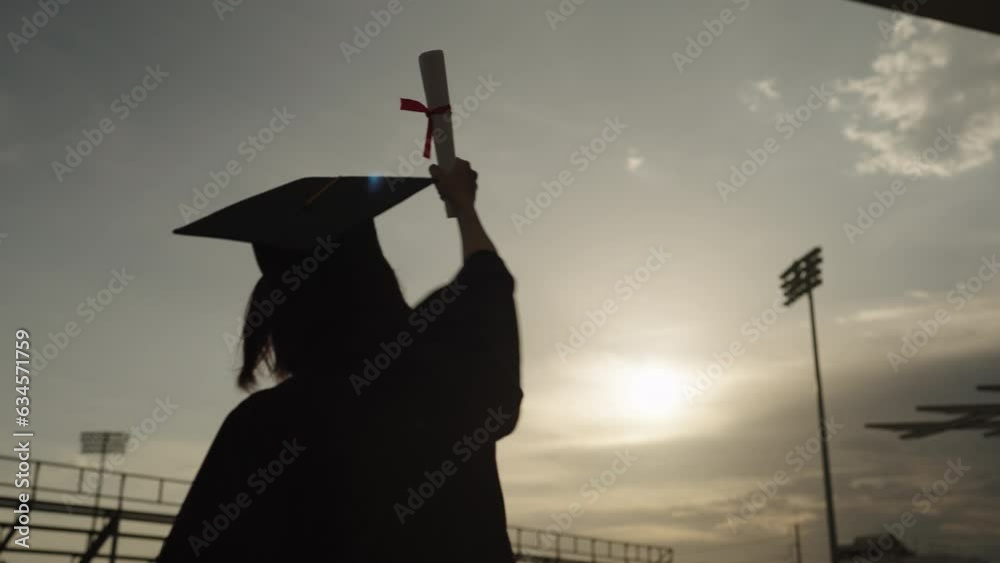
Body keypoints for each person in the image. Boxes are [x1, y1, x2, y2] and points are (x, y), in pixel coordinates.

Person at [157, 159, 522, 562]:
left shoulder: (260, 427)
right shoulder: (450, 378)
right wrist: (463, 206)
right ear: (380, 280)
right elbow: (486, 284)